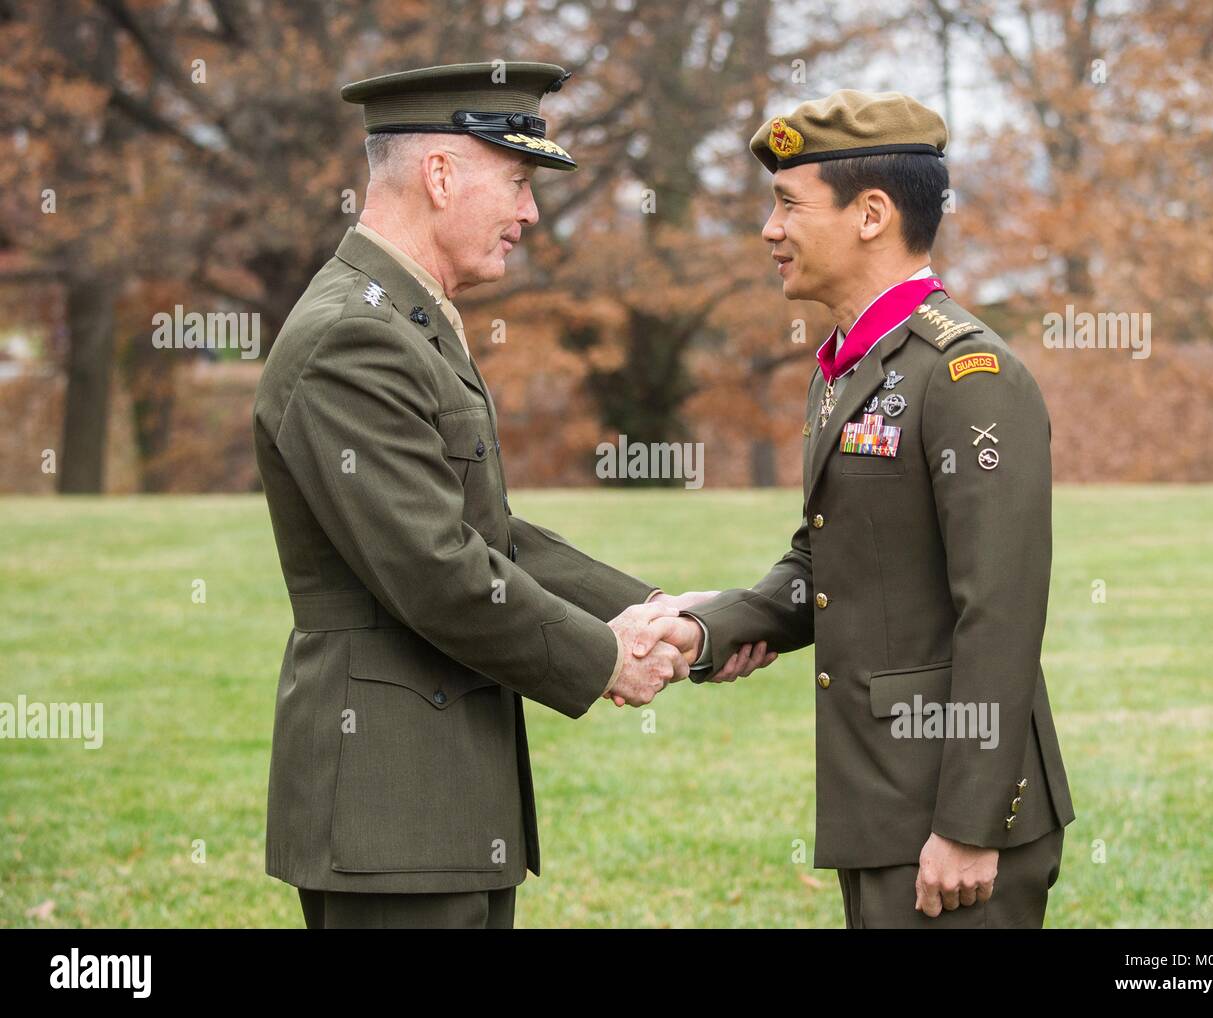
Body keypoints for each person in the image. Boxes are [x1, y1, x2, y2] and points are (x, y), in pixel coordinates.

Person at [252, 61, 770, 930]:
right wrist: (607, 656)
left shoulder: (405, 319)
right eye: (519, 182)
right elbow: (435, 569)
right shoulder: (354, 336)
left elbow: (488, 535)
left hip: (436, 798)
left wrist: (656, 609)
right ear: (439, 175)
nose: (530, 213)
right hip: (390, 805)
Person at [676, 90, 1075, 928]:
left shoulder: (965, 376)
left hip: (950, 820)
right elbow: (825, 561)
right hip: (881, 804)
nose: (769, 230)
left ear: (871, 215)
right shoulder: (848, 370)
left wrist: (969, 826)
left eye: (788, 205)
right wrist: (709, 626)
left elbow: (1000, 611)